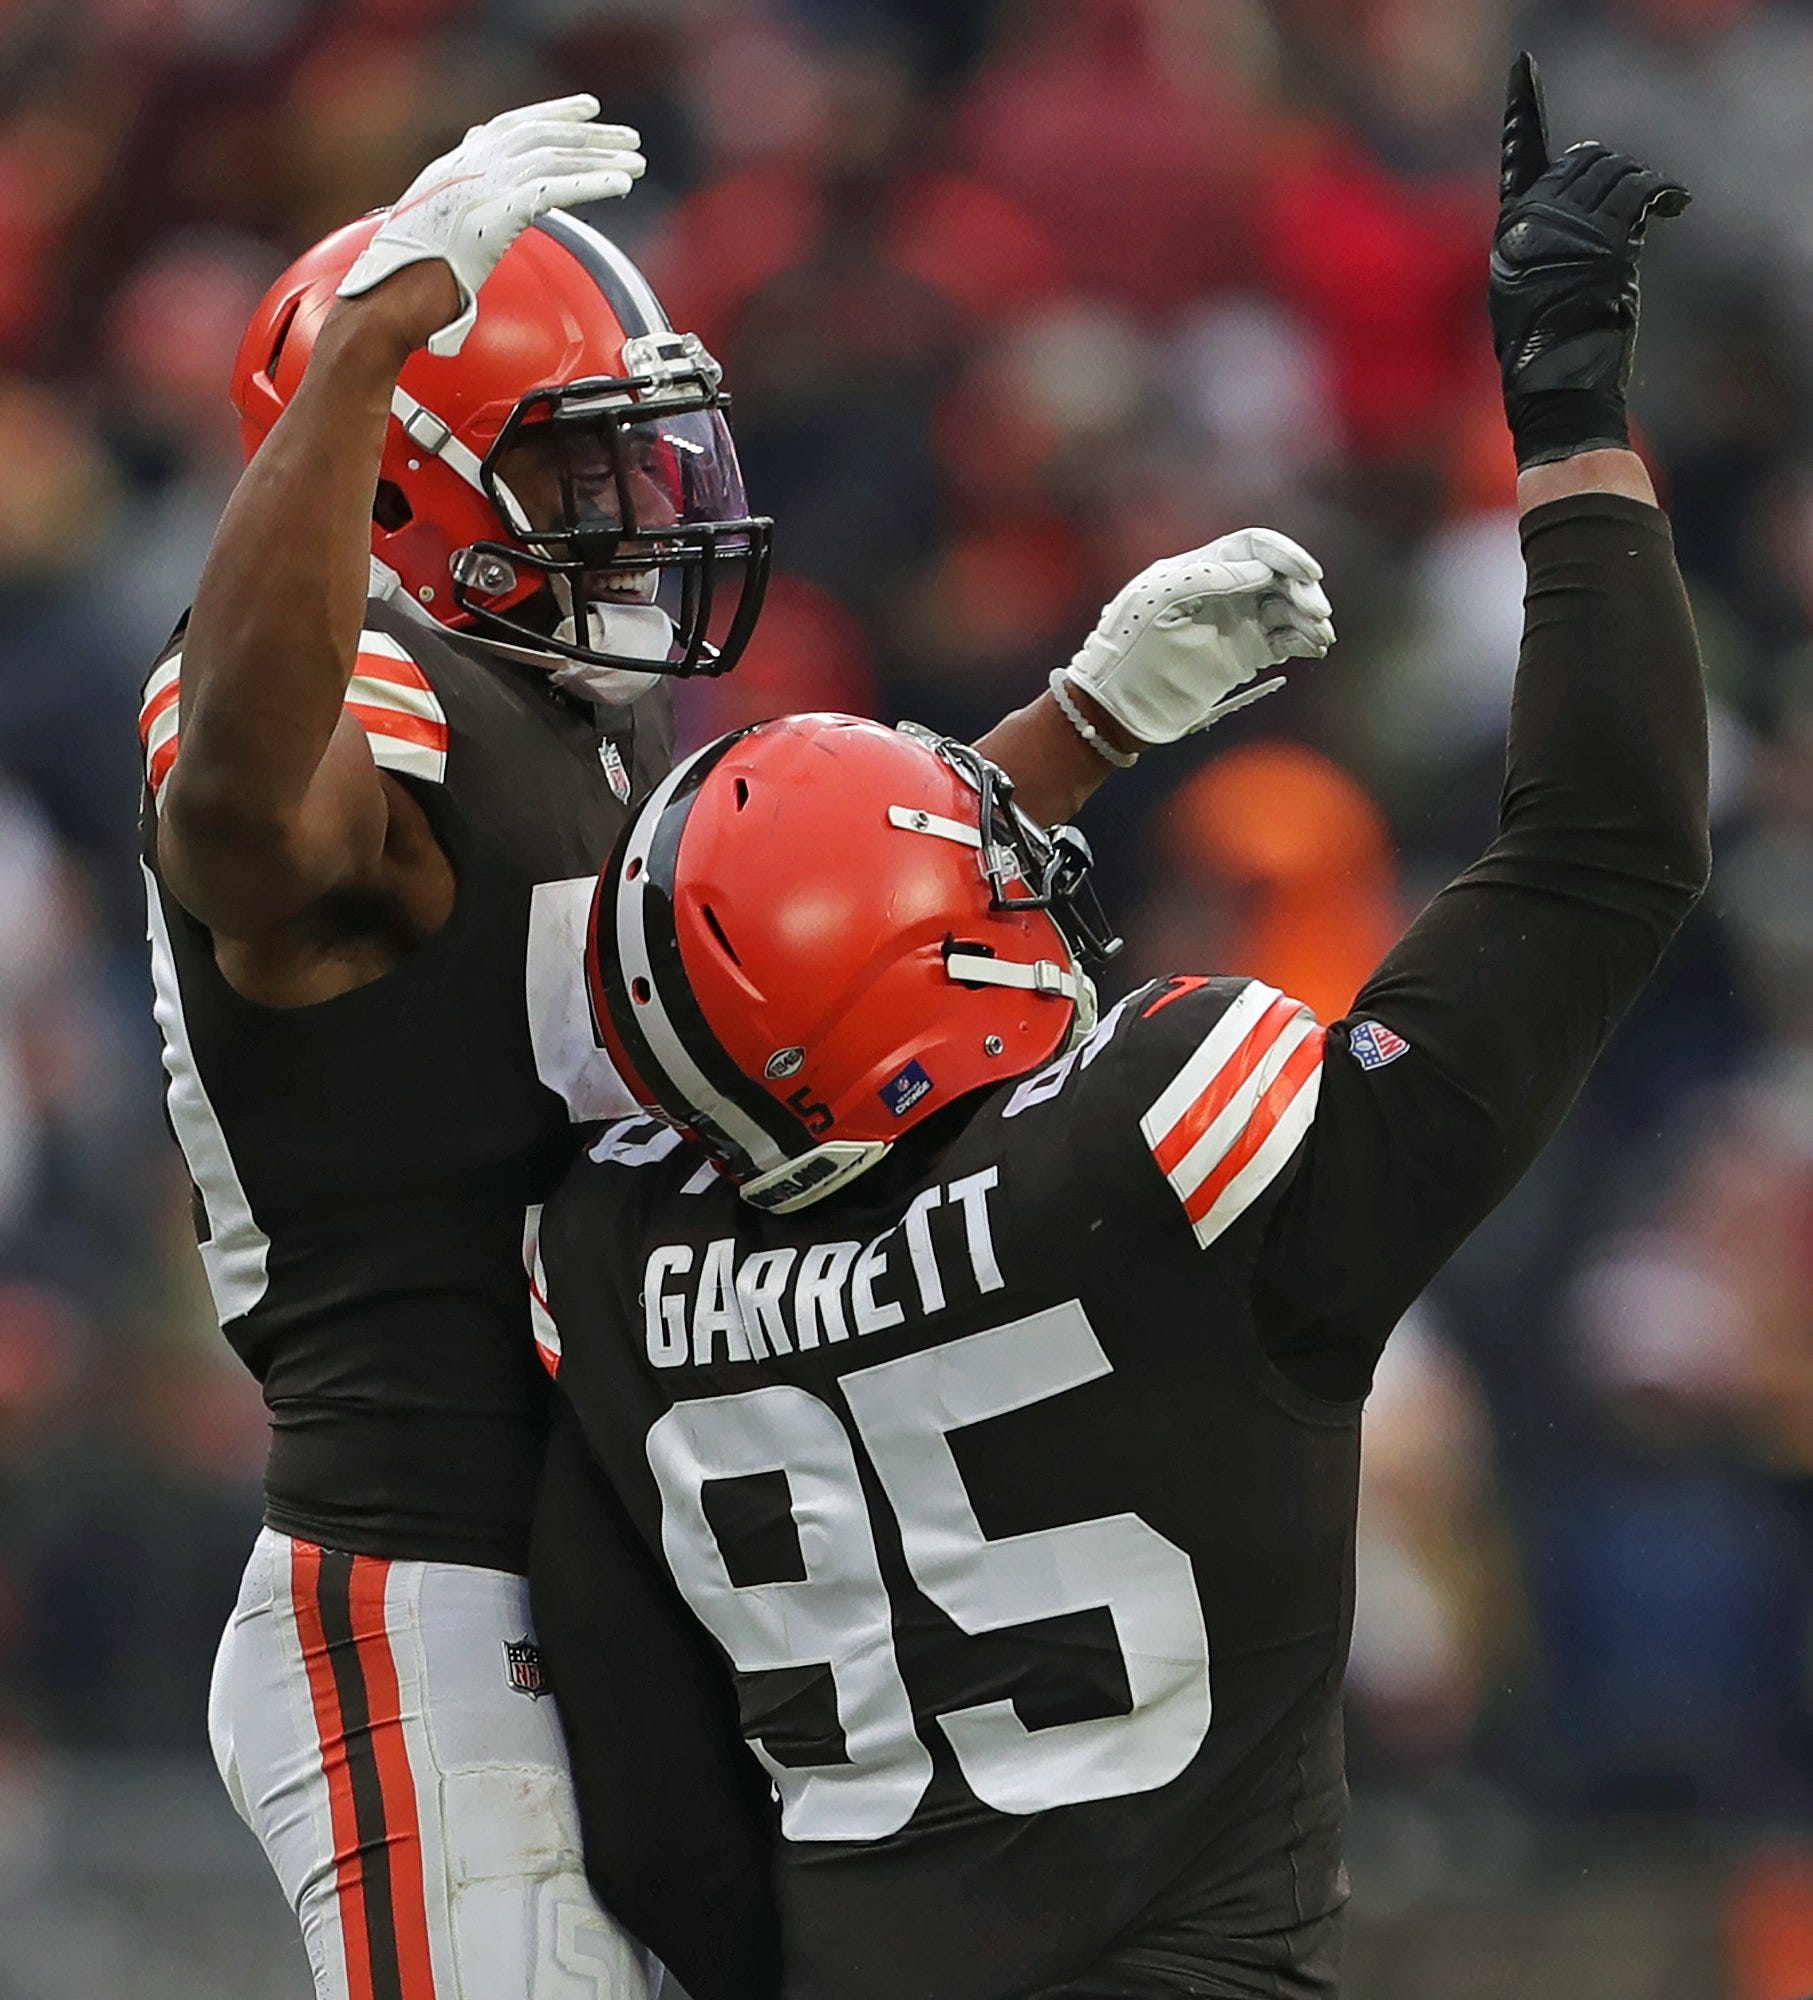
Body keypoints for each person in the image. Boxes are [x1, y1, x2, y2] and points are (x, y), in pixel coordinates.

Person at [527, 57, 1710, 1999]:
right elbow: (1603, 848)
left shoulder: (618, 1261)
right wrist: (1569, 416)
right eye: (995, 874)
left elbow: (658, 1823)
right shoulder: (1168, 1144)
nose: (1037, 885)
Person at [140, 95, 1336, 2000]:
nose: (653, 510)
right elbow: (246, 831)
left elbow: (784, 968)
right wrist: (363, 353)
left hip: (642, 1580)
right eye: (582, 474)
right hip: (430, 1582)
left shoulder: (566, 729)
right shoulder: (334, 684)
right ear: (392, 489)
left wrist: (1080, 728)